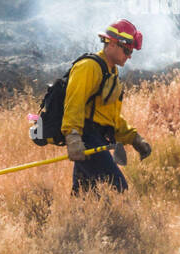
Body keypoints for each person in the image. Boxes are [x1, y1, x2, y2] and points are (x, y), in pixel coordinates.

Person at [63, 19, 152, 195]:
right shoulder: (88, 67)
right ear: (111, 43)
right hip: (87, 138)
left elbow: (110, 116)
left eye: (131, 52)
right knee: (118, 189)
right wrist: (73, 137)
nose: (129, 56)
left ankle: (77, 214)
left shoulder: (110, 71)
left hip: (99, 138)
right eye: (127, 50)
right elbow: (74, 103)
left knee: (85, 195)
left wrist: (134, 138)